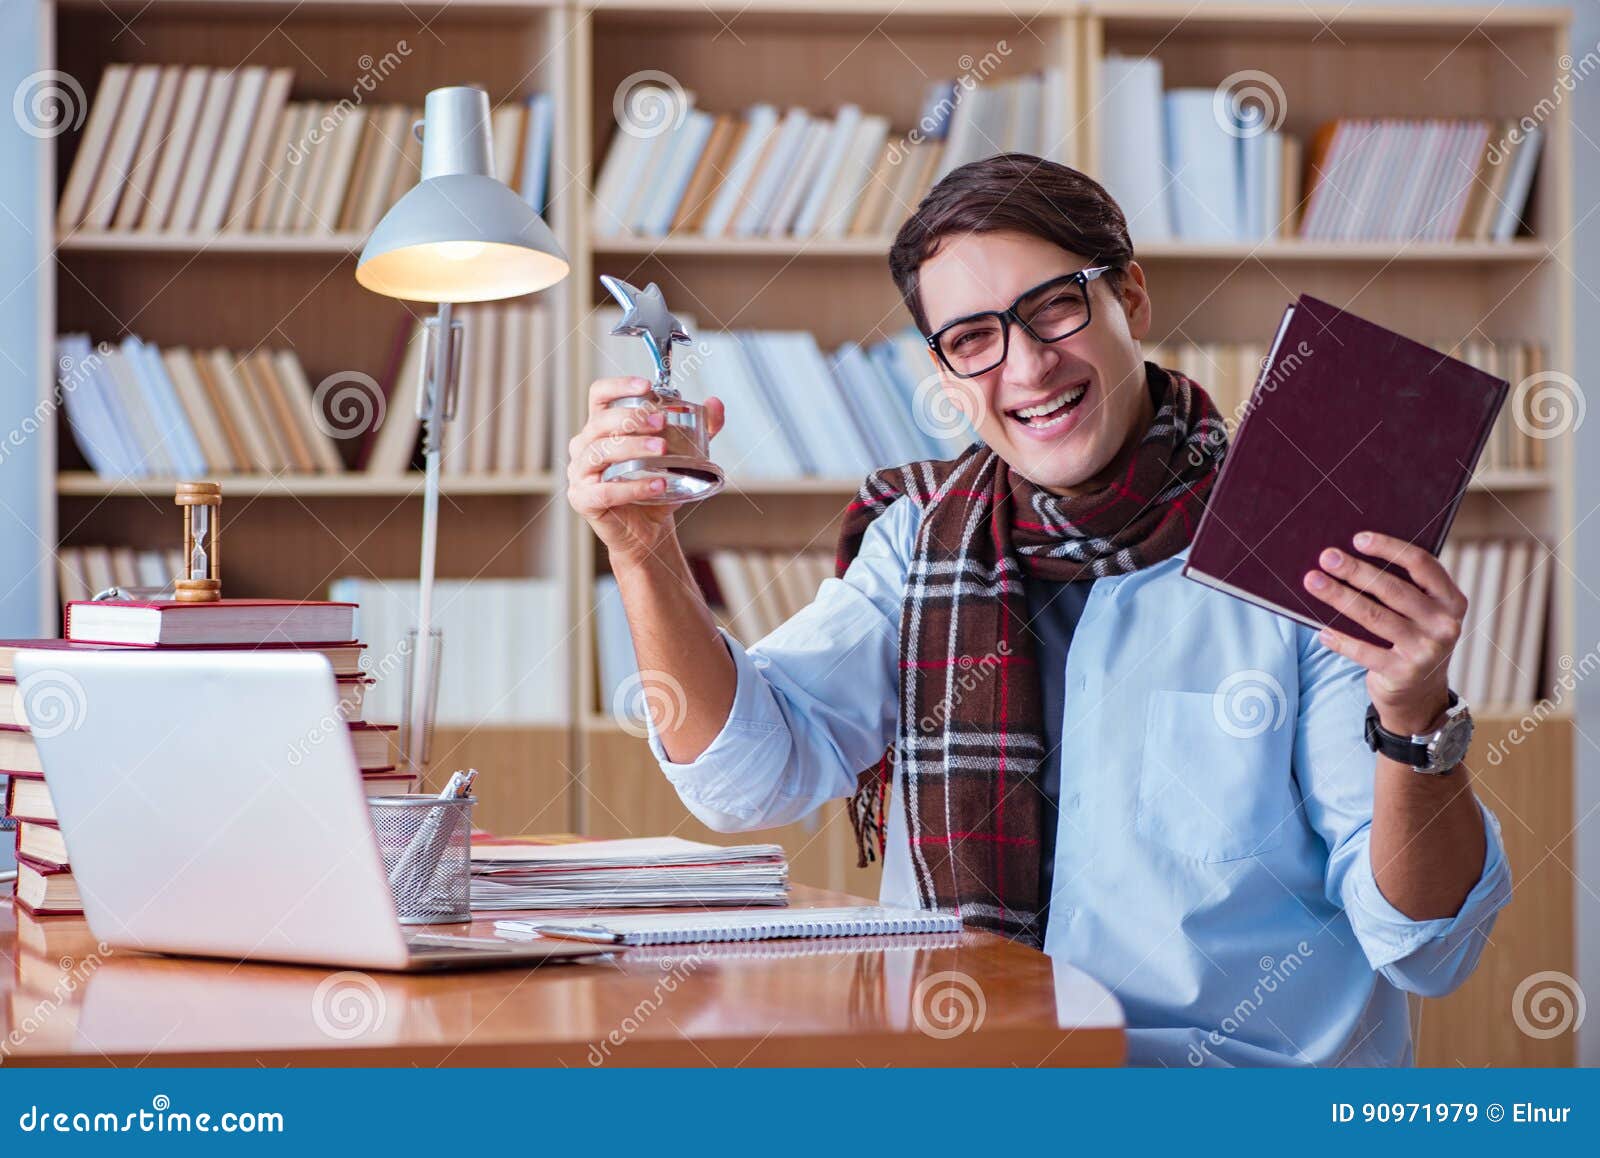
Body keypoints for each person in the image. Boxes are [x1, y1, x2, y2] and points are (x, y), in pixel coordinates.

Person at [566, 153, 1511, 1066]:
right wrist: (641, 548)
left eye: (1055, 308)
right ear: (942, 370)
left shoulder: (1305, 543)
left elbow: (1424, 947)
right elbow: (742, 777)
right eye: (973, 338)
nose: (1025, 369)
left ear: (1129, 297)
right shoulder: (920, 543)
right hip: (971, 1087)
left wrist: (1414, 714)